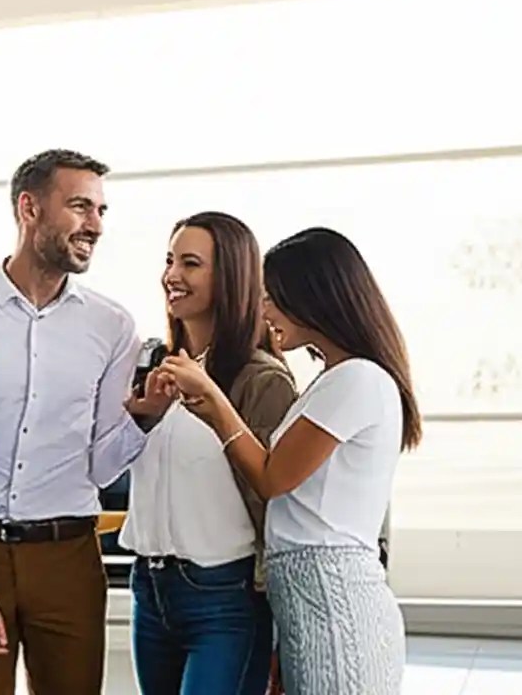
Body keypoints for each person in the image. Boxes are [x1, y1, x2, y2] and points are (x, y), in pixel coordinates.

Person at [0, 149, 158, 695]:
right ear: (29, 208)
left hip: (70, 557)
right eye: (78, 206)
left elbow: (100, 463)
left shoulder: (113, 327)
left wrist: (145, 420)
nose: (94, 225)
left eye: (100, 210)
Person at [156, 226, 419, 695]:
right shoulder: (335, 378)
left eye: (274, 297)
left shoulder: (357, 378)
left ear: (315, 297)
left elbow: (273, 479)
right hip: (309, 598)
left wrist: (216, 405)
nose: (264, 311)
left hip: (335, 606)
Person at [120, 212, 298, 695]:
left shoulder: (262, 379)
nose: (171, 276)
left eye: (191, 263)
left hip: (224, 596)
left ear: (231, 278)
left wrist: (285, 633)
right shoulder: (159, 373)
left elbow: (277, 506)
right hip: (150, 590)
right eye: (170, 260)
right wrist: (142, 419)